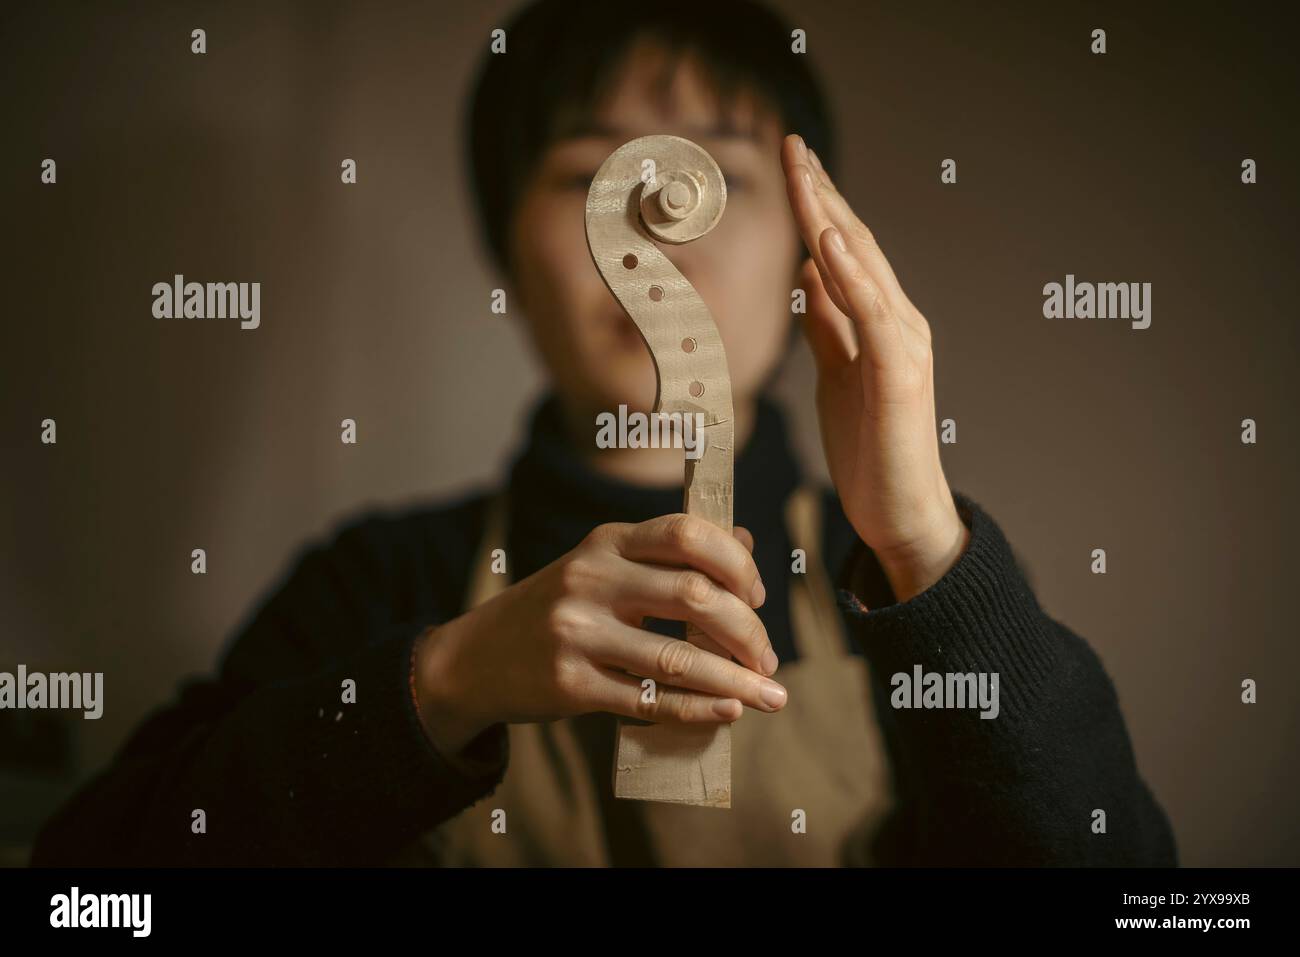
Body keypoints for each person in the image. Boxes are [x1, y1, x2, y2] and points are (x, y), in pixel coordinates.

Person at [31, 0, 1176, 867]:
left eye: (718, 178)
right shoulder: (378, 580)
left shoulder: (905, 582)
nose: (650, 229)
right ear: (507, 259)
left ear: (805, 253)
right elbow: (90, 880)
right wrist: (446, 683)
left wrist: (928, 549)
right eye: (588, 172)